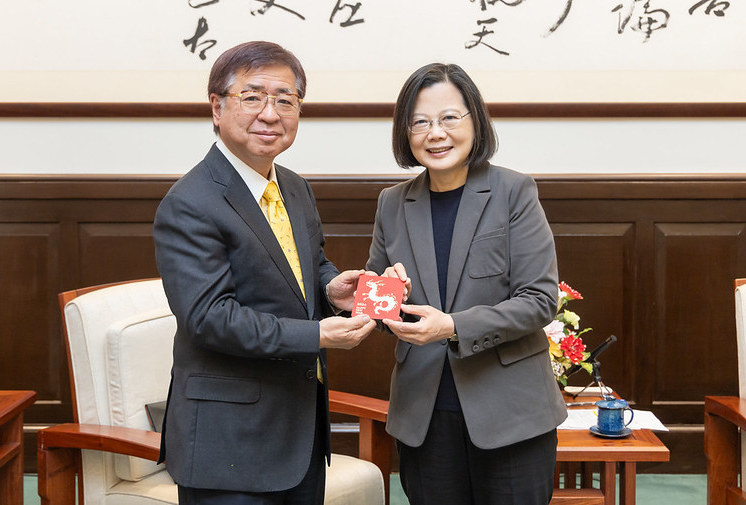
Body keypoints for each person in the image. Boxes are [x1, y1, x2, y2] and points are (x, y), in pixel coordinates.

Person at [153, 40, 376, 505]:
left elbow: (307, 264)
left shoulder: (293, 186)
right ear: (217, 107)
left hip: (299, 432)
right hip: (230, 443)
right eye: (252, 97)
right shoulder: (190, 203)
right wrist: (318, 335)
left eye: (285, 99)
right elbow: (211, 319)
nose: (270, 114)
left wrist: (330, 286)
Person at [366, 63, 567, 504]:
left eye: (449, 118)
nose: (435, 133)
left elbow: (539, 301)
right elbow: (381, 304)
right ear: (406, 133)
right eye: (420, 122)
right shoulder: (392, 203)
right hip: (425, 413)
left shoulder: (514, 191)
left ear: (475, 120)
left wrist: (452, 327)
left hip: (511, 413)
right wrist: (383, 298)